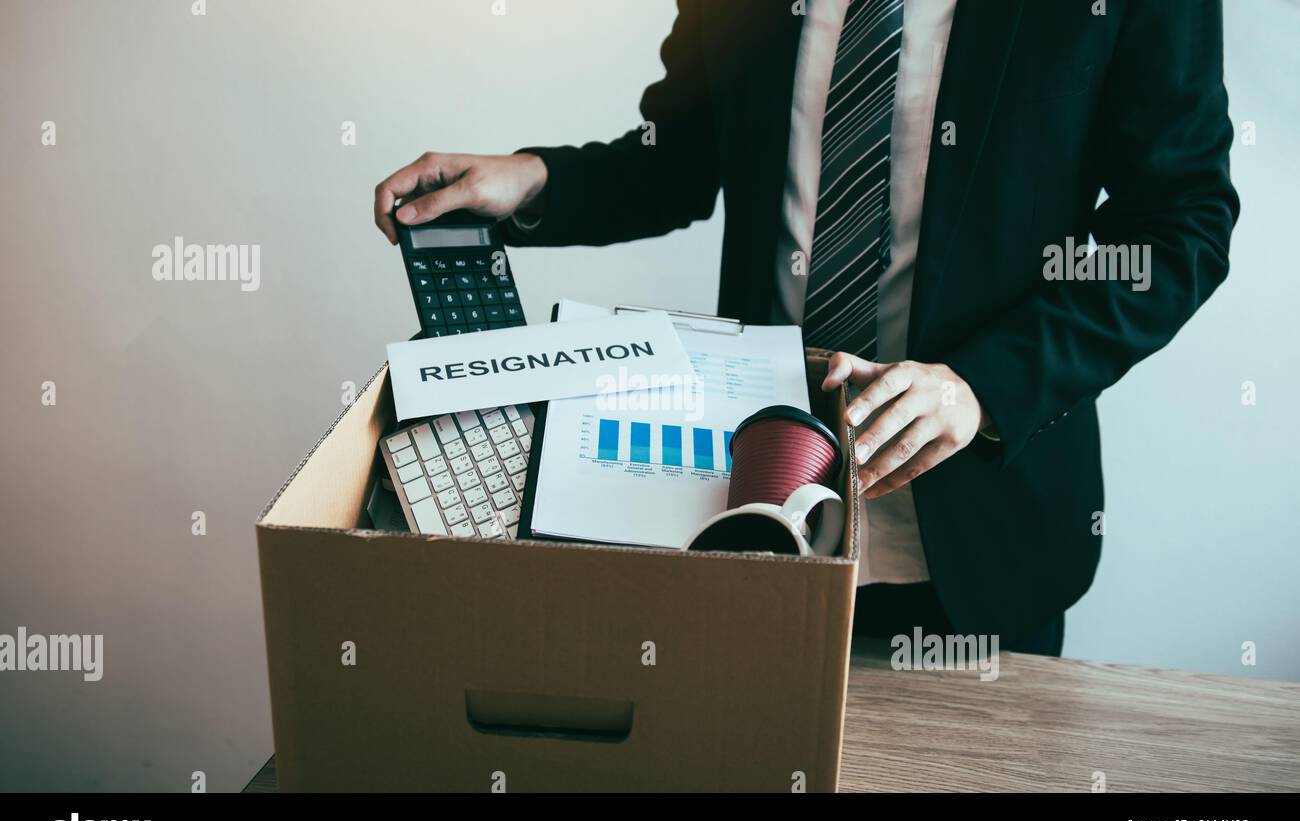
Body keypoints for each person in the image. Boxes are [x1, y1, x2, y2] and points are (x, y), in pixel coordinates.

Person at [374, 0, 1239, 656]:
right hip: (747, 514)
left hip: (978, 545)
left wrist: (984, 387)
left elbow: (1180, 221)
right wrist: (532, 179)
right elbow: (679, 156)